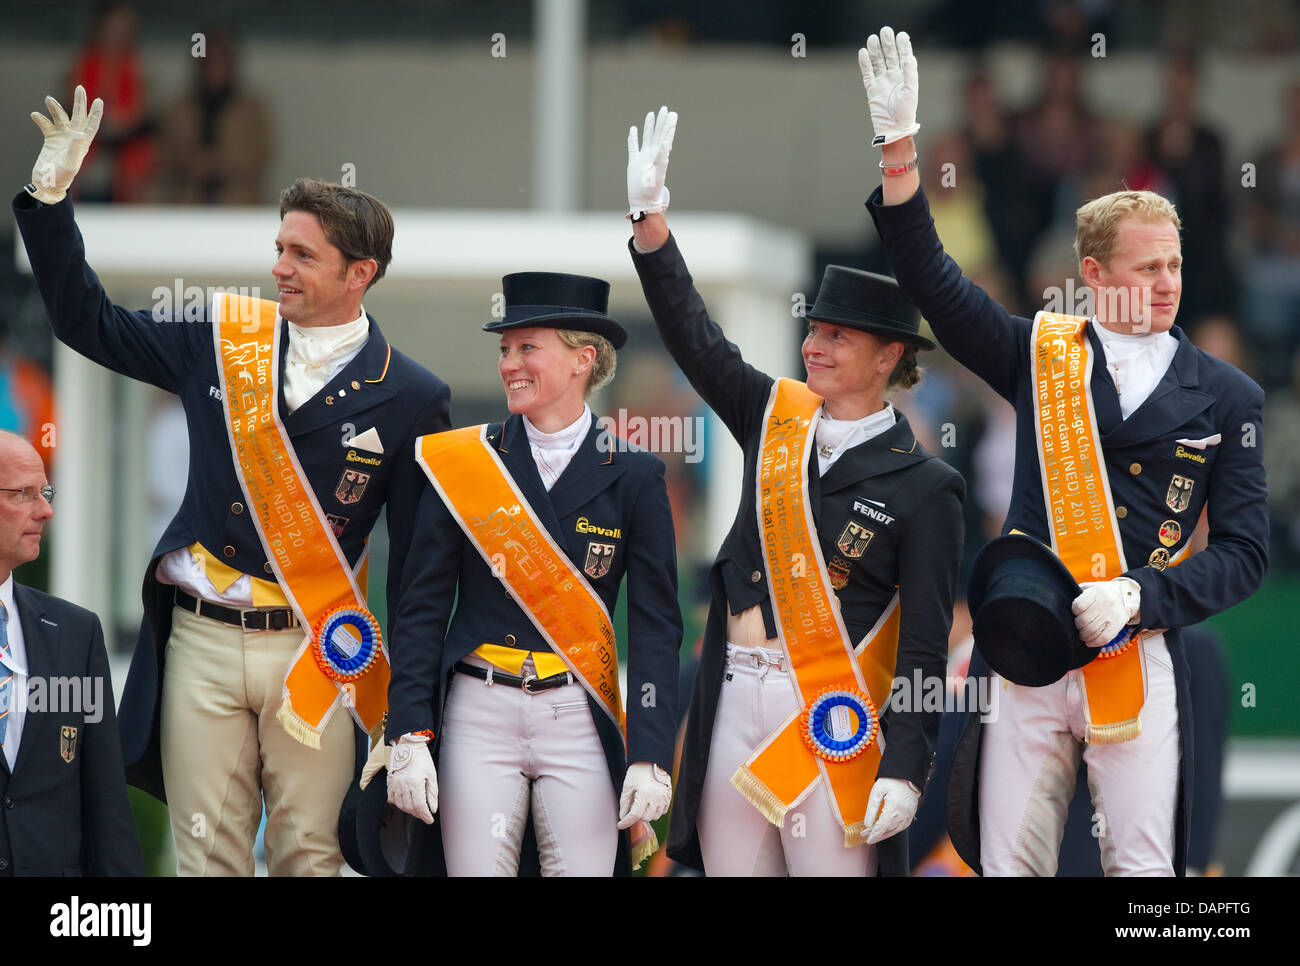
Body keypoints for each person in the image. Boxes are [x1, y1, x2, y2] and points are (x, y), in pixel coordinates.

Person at [860, 26, 1267, 876]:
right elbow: (936, 281)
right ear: (1094, 275)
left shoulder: (1228, 396)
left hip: (1140, 650)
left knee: (1146, 876)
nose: (1167, 284)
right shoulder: (1037, 354)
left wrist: (1142, 593)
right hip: (1028, 649)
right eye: (1146, 268)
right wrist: (900, 157)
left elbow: (1245, 556)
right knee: (1010, 865)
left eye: (1176, 266)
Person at [14, 87, 452, 876]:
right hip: (202, 640)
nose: (279, 267)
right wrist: (51, 203)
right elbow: (90, 324)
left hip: (320, 650)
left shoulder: (414, 394)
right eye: (280, 247)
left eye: (302, 255)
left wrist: (414, 718)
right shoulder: (226, 335)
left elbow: (422, 572)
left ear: (361, 272)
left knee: (307, 857)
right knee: (204, 859)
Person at [626, 107, 965, 875]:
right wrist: (651, 228)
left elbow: (921, 649)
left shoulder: (928, 486)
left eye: (838, 335)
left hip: (831, 717)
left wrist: (908, 767)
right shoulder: (773, 416)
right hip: (732, 695)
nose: (814, 343)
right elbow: (697, 340)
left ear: (889, 358)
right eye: (814, 328)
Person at [383, 272, 681, 875]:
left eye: (527, 347)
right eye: (504, 350)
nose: (510, 364)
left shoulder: (636, 473)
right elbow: (421, 607)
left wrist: (651, 753)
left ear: (583, 359)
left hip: (576, 711)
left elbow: (656, 626)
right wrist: (408, 731)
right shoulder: (466, 461)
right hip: (478, 707)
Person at [0, 430, 142, 876]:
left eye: (44, 492)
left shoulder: (76, 633)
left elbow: (106, 806)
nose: (45, 510)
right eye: (23, 494)